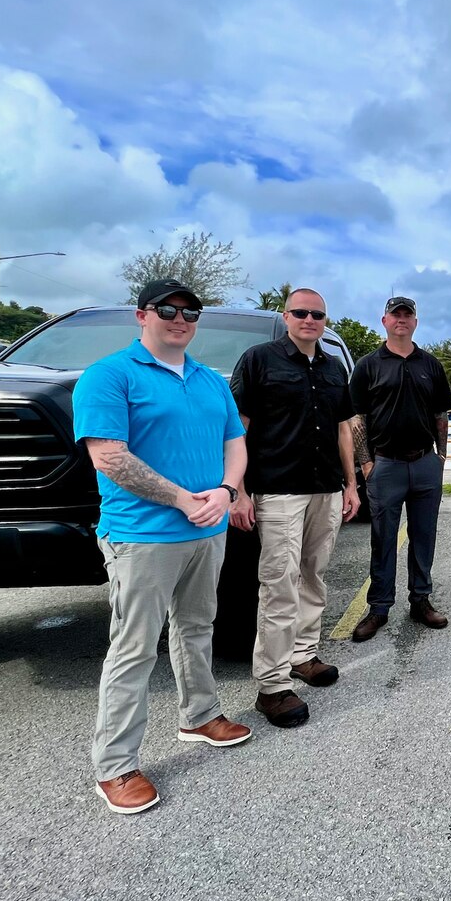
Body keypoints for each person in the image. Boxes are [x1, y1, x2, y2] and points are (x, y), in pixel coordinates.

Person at [73, 279, 252, 815]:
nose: (180, 319)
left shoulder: (209, 381)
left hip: (208, 528)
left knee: (198, 628)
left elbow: (235, 444)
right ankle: (115, 766)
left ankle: (200, 715)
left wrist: (224, 491)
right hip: (143, 534)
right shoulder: (109, 375)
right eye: (168, 310)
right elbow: (109, 457)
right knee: (134, 647)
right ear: (142, 315)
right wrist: (180, 499)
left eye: (190, 312)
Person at [229, 288, 360, 728]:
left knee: (314, 575)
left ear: (325, 320)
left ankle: (305, 655)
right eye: (300, 312)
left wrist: (351, 484)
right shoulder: (259, 360)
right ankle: (272, 685)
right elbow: (237, 431)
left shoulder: (333, 366)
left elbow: (345, 430)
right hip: (278, 489)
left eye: (317, 314)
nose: (309, 319)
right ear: (286, 316)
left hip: (326, 486)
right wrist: (238, 491)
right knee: (279, 583)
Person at [349, 296, 451, 641]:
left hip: (425, 462)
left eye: (407, 315)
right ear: (385, 320)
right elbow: (358, 417)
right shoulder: (368, 365)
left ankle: (420, 600)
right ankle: (379, 607)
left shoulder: (431, 365)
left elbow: (441, 415)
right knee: (382, 540)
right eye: (396, 315)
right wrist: (366, 463)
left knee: (424, 537)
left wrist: (440, 458)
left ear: (415, 322)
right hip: (386, 464)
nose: (401, 320)